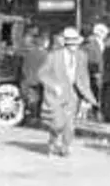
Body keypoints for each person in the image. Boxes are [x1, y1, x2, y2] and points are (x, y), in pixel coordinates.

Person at [36, 27, 98, 157]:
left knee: (69, 124)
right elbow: (42, 74)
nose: (74, 46)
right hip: (56, 96)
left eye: (76, 43)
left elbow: (83, 77)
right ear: (65, 43)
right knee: (58, 123)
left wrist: (87, 98)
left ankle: (66, 147)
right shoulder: (53, 56)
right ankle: (52, 142)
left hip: (72, 95)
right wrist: (53, 86)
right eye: (71, 43)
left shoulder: (82, 56)